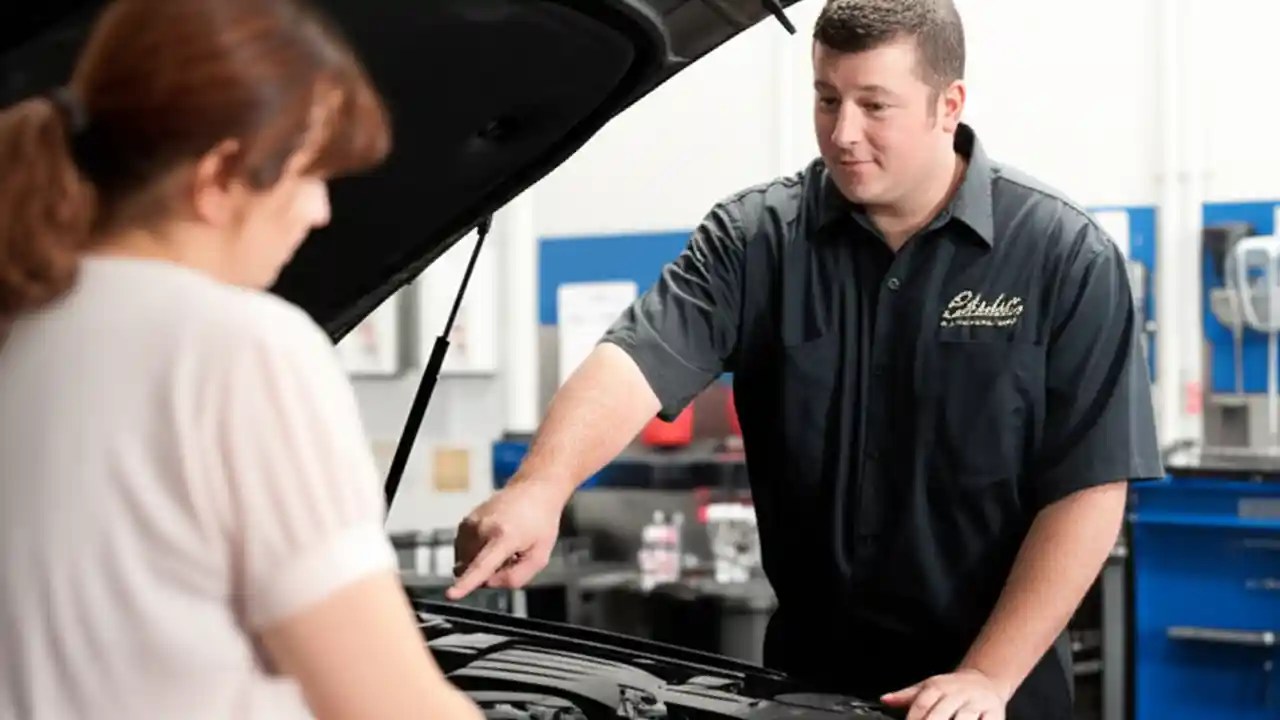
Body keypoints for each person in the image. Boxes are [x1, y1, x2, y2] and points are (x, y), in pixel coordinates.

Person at [447, 1, 1163, 719]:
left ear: (948, 106)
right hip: (807, 688)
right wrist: (541, 486)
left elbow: (1089, 490)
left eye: (874, 105)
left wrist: (986, 675)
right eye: (827, 99)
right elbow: (636, 360)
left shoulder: (1062, 256)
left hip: (993, 694)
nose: (843, 133)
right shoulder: (755, 239)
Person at [0, 1, 482, 719]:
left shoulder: (22, 328)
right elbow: (391, 705)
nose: (320, 211)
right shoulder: (239, 348)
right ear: (221, 175)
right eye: (308, 174)